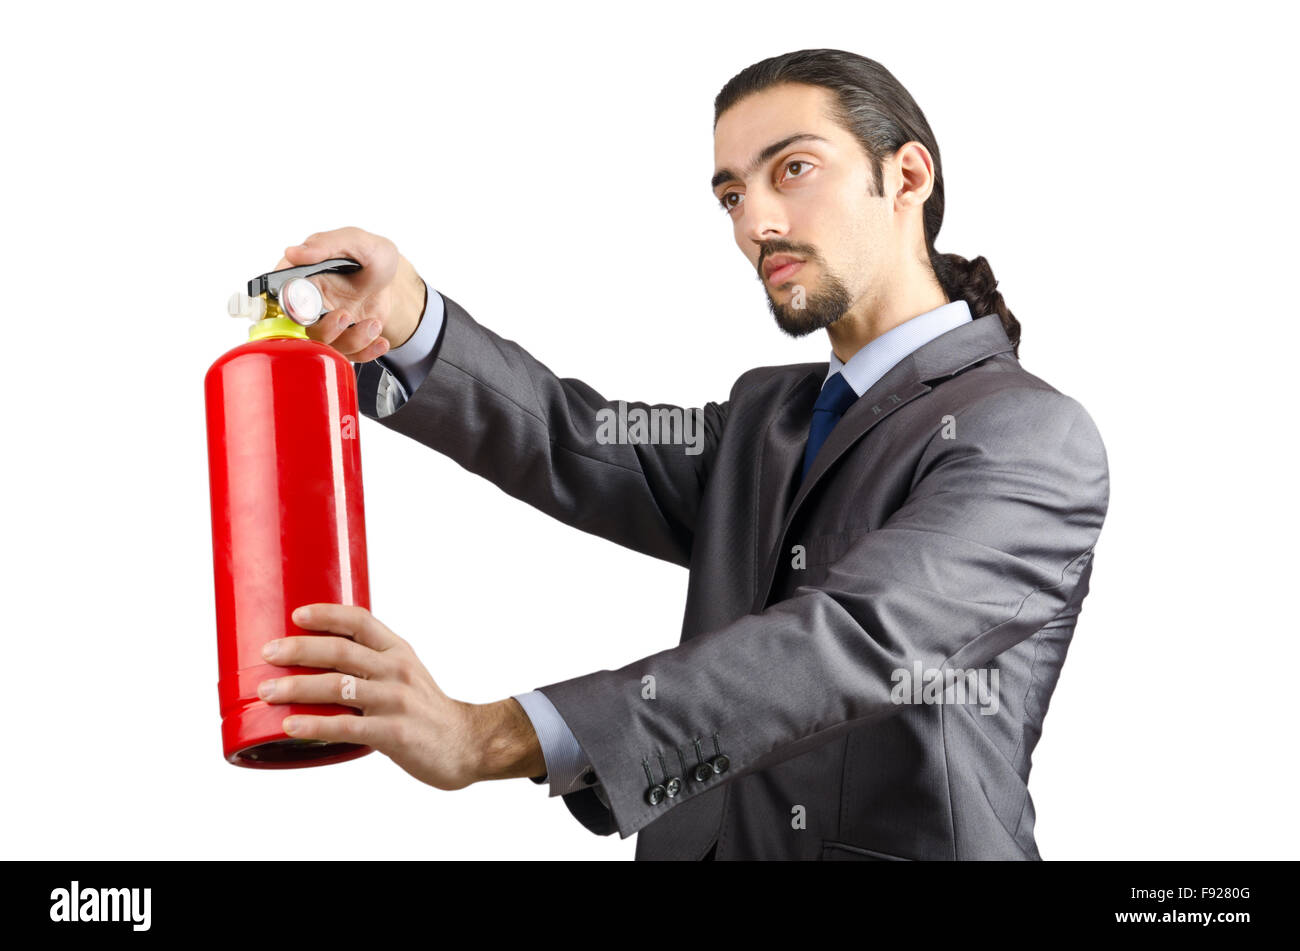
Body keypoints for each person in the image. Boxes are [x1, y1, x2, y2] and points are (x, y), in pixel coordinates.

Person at [255, 48, 1110, 860]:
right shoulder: (765, 418)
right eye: (731, 194)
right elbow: (576, 439)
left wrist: (495, 733)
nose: (757, 222)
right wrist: (409, 320)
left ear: (907, 176)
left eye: (794, 169)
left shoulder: (1029, 434)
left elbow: (847, 639)